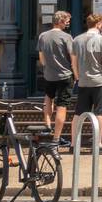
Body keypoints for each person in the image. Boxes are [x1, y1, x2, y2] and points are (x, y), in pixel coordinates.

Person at [73, 13, 102, 155]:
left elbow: (74, 62)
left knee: (79, 113)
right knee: (100, 113)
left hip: (83, 82)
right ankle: (98, 143)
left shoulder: (77, 40)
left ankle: (74, 144)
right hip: (100, 82)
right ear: (98, 24)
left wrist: (78, 77)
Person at [36, 11, 75, 146]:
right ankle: (57, 138)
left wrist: (48, 67)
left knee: (48, 98)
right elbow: (73, 57)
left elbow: (41, 58)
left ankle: (48, 127)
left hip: (49, 75)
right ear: (61, 21)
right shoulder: (67, 37)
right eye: (67, 21)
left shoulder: (42, 36)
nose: (68, 23)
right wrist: (76, 73)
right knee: (62, 106)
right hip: (65, 74)